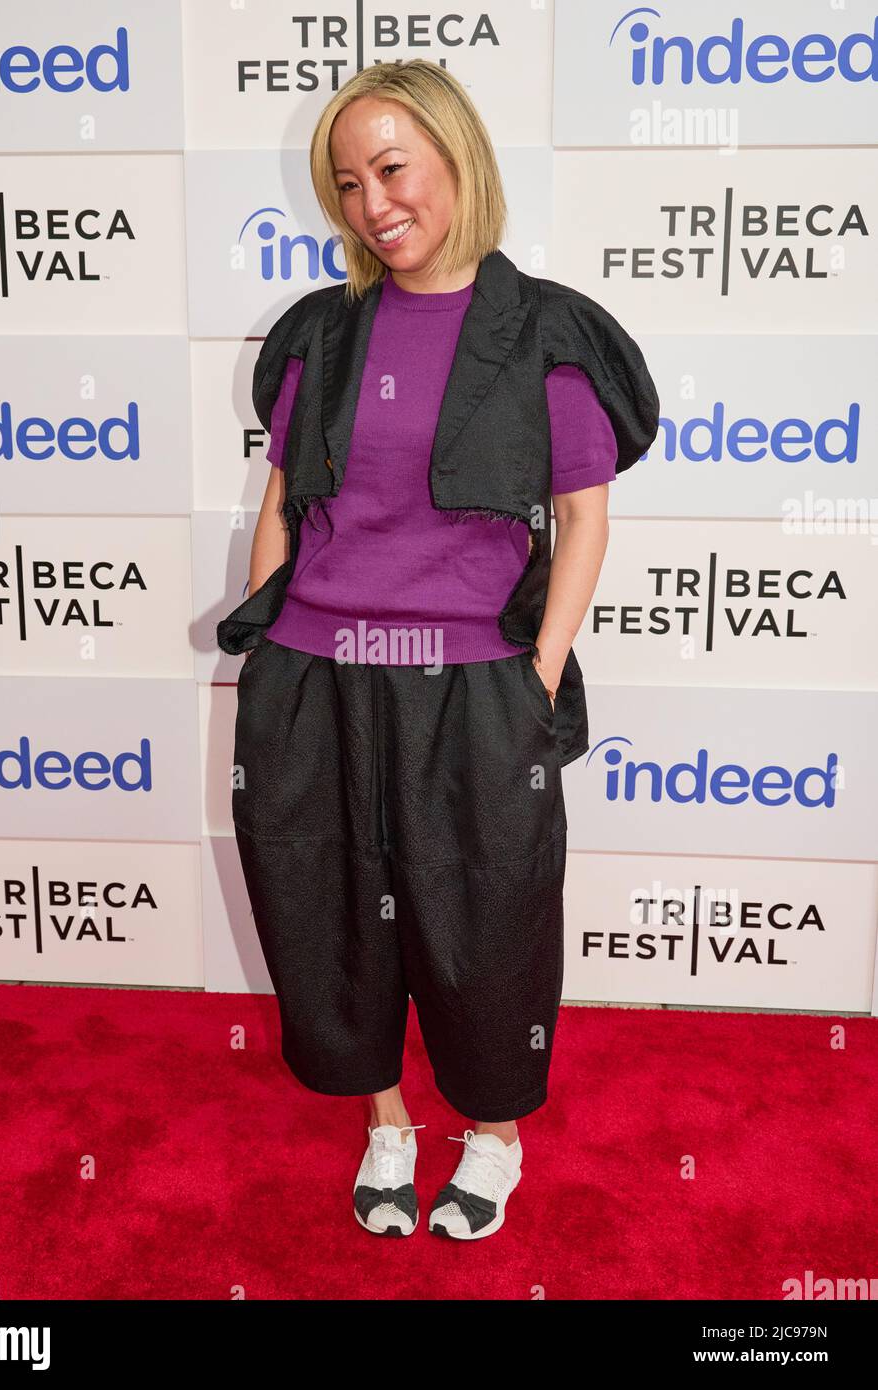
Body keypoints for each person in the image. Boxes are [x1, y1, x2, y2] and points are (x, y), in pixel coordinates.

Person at [219, 60, 660, 1241]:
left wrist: (541, 673)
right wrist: (269, 645)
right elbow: (283, 506)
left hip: (473, 686)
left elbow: (586, 517)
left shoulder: (545, 331)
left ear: (457, 158)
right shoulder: (322, 329)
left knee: (487, 919)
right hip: (317, 676)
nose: (373, 204)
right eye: (348, 183)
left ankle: (493, 1134)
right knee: (329, 911)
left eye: (393, 168)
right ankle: (384, 1123)